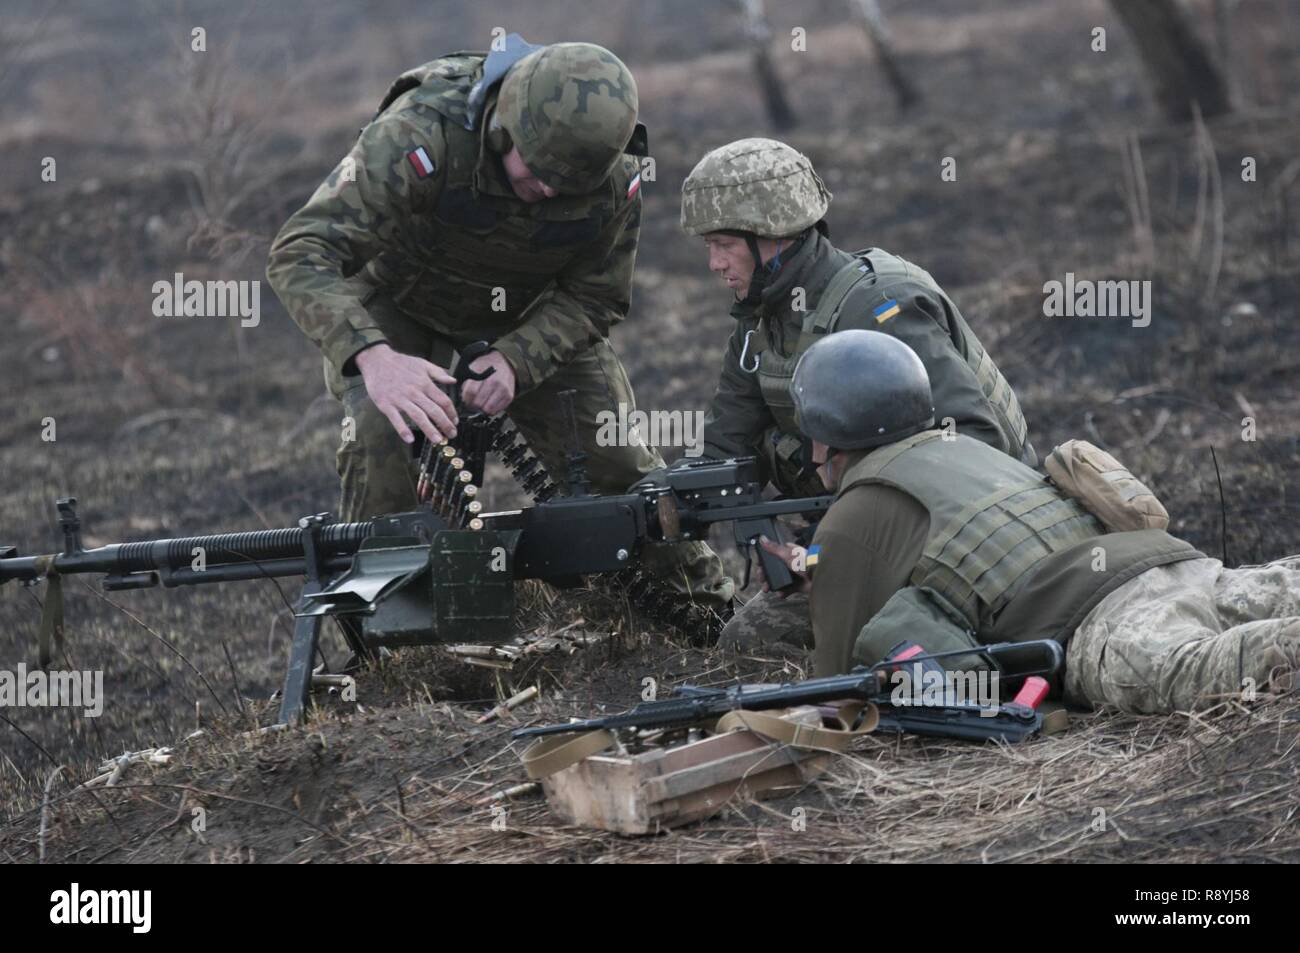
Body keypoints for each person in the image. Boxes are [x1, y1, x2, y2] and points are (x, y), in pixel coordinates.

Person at [267, 35, 731, 611]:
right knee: (383, 440)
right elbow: (300, 252)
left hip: (527, 311)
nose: (548, 193)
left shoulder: (615, 176)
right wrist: (374, 359)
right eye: (537, 175)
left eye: (567, 187)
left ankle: (702, 610)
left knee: (615, 456)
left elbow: (596, 296)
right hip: (400, 302)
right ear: (504, 130)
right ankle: (394, 641)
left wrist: (518, 358)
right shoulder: (422, 132)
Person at [754, 328, 1298, 713]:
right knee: (1282, 587)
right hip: (1171, 566)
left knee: (1219, 669)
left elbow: (836, 693)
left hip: (1096, 624)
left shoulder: (852, 514)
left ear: (830, 433)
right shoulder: (962, 447)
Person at [680, 137, 1032, 648]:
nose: (714, 263)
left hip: (966, 536)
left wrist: (833, 546)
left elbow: (973, 443)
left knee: (771, 646)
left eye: (724, 245)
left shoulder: (877, 306)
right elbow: (727, 444)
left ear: (773, 235)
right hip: (861, 533)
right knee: (747, 641)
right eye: (708, 246)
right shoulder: (762, 323)